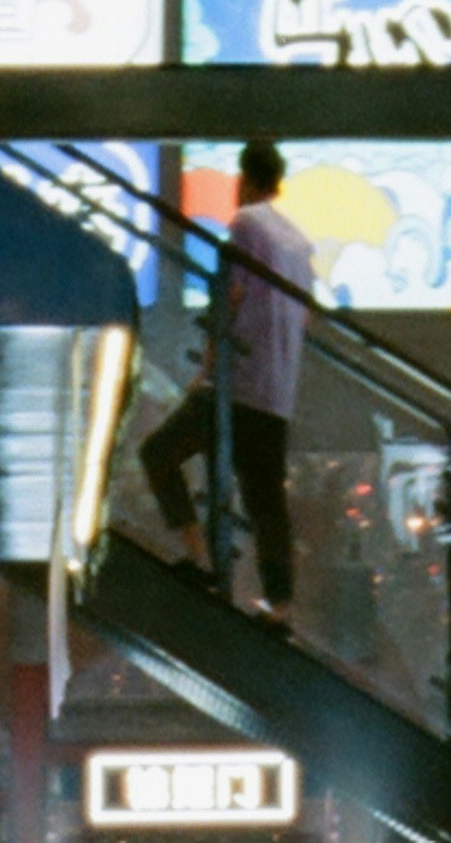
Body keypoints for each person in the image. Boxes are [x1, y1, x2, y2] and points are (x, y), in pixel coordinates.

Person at [143, 134, 312, 611]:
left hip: (237, 384)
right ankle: (279, 608)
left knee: (158, 453)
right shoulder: (299, 242)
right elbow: (304, 316)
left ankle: (200, 559)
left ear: (243, 178)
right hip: (277, 389)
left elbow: (230, 299)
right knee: (266, 505)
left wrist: (206, 374)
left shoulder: (244, 224)